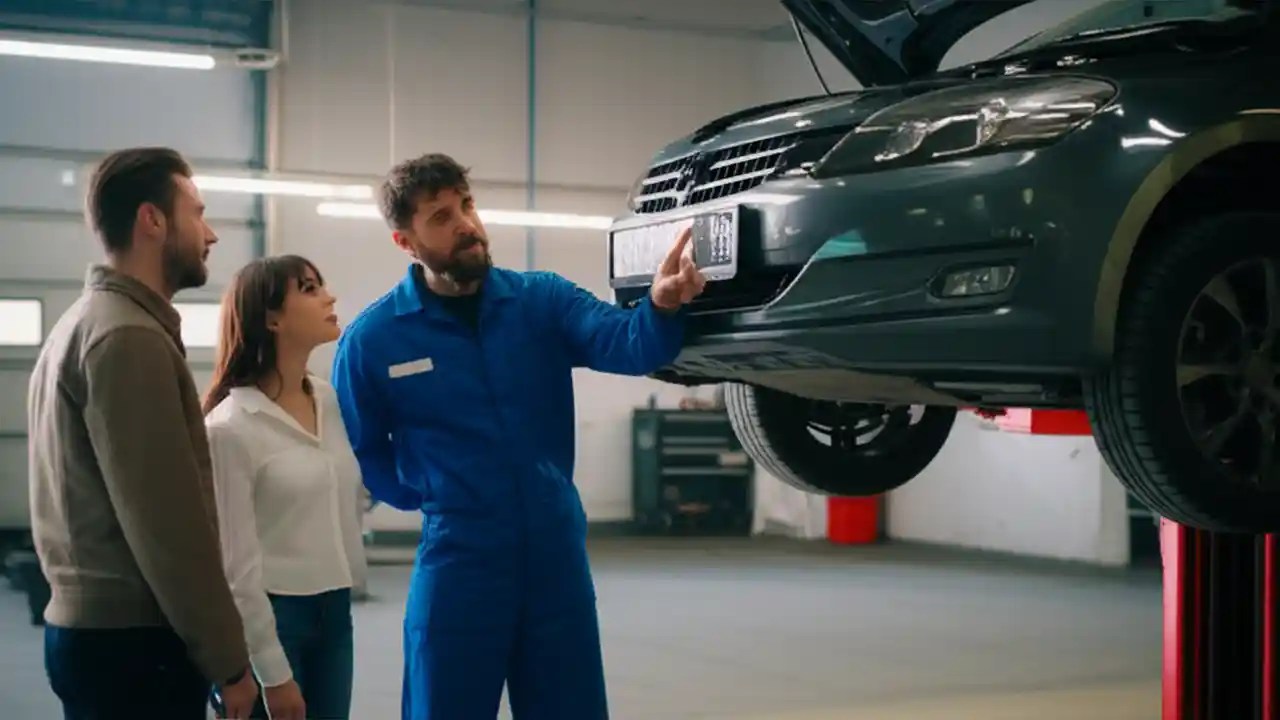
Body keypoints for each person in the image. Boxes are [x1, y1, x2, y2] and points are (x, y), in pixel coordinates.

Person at [330, 152, 706, 720]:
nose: (466, 225)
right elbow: (362, 449)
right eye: (440, 217)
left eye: (467, 206)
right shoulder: (374, 340)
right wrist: (430, 493)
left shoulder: (540, 301)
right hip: (459, 562)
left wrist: (661, 303)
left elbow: (627, 343)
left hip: (555, 559)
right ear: (406, 243)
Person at [26, 146, 259, 719]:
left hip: (98, 637)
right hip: (134, 645)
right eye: (197, 213)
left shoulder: (83, 324)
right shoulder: (127, 337)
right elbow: (168, 528)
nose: (211, 233)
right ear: (152, 220)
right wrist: (228, 661)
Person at [202, 255, 369, 720]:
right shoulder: (230, 427)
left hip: (336, 612)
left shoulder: (328, 399)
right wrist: (272, 673)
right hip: (274, 622)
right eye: (310, 289)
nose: (329, 297)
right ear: (272, 318)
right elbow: (236, 568)